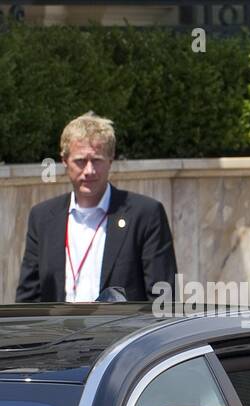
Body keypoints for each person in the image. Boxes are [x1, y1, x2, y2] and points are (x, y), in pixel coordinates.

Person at [16, 112, 178, 303]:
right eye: (80, 161)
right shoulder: (43, 217)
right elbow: (28, 299)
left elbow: (163, 300)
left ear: (111, 160)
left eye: (97, 160)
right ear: (64, 161)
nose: (89, 171)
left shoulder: (145, 214)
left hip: (122, 332)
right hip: (60, 332)